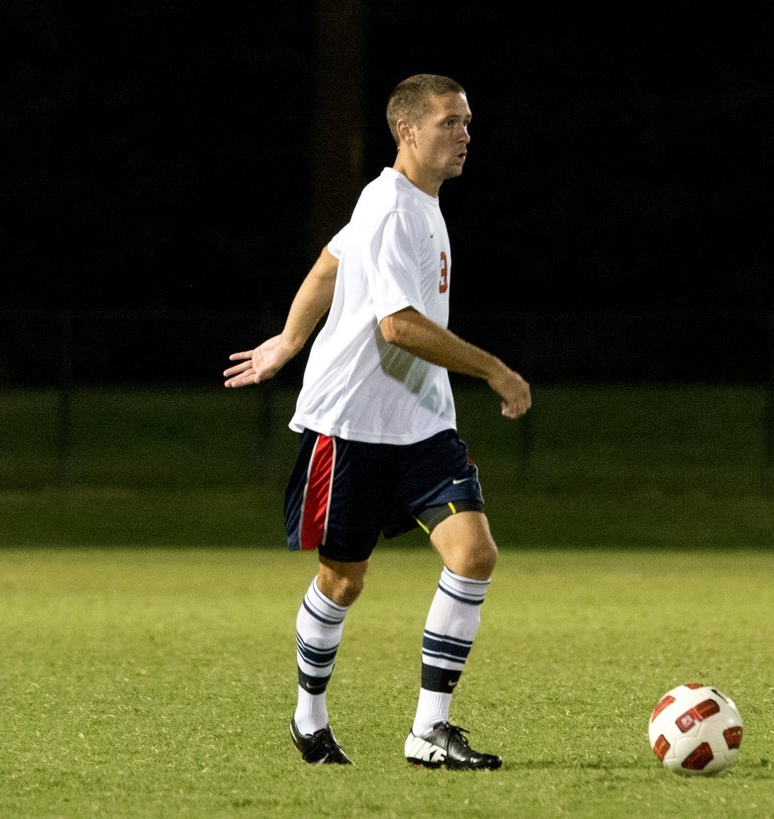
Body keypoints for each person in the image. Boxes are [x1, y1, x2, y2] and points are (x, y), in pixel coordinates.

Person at [222, 73, 531, 770]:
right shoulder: (390, 206)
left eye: (467, 121)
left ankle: (430, 729)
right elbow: (397, 326)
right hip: (352, 427)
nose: (465, 134)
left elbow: (329, 265)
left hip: (421, 426)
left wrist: (287, 339)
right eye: (451, 121)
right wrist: (493, 369)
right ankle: (309, 716)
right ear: (409, 131)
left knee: (474, 554)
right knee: (343, 581)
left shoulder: (415, 202)